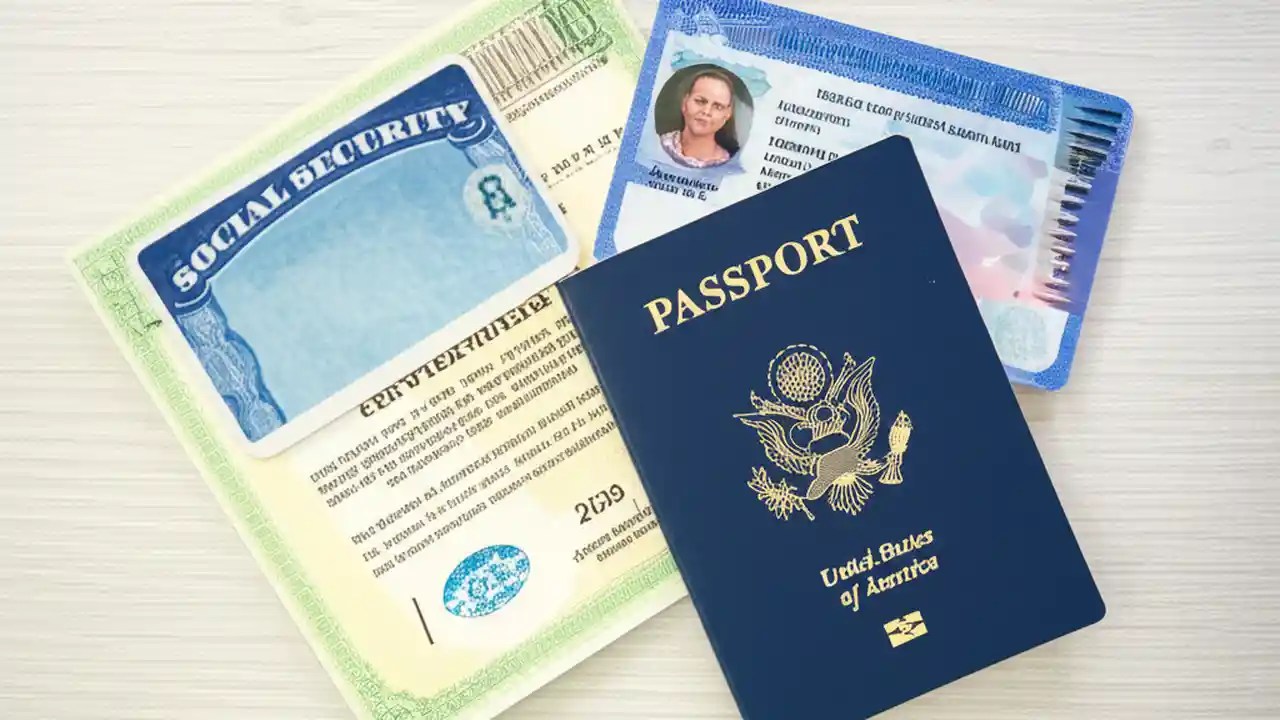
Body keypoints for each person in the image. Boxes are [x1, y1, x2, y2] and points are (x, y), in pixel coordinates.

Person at [660, 69, 740, 168]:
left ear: (728, 114)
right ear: (685, 103)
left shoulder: (729, 165)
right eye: (700, 101)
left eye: (718, 107)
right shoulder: (658, 145)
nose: (706, 111)